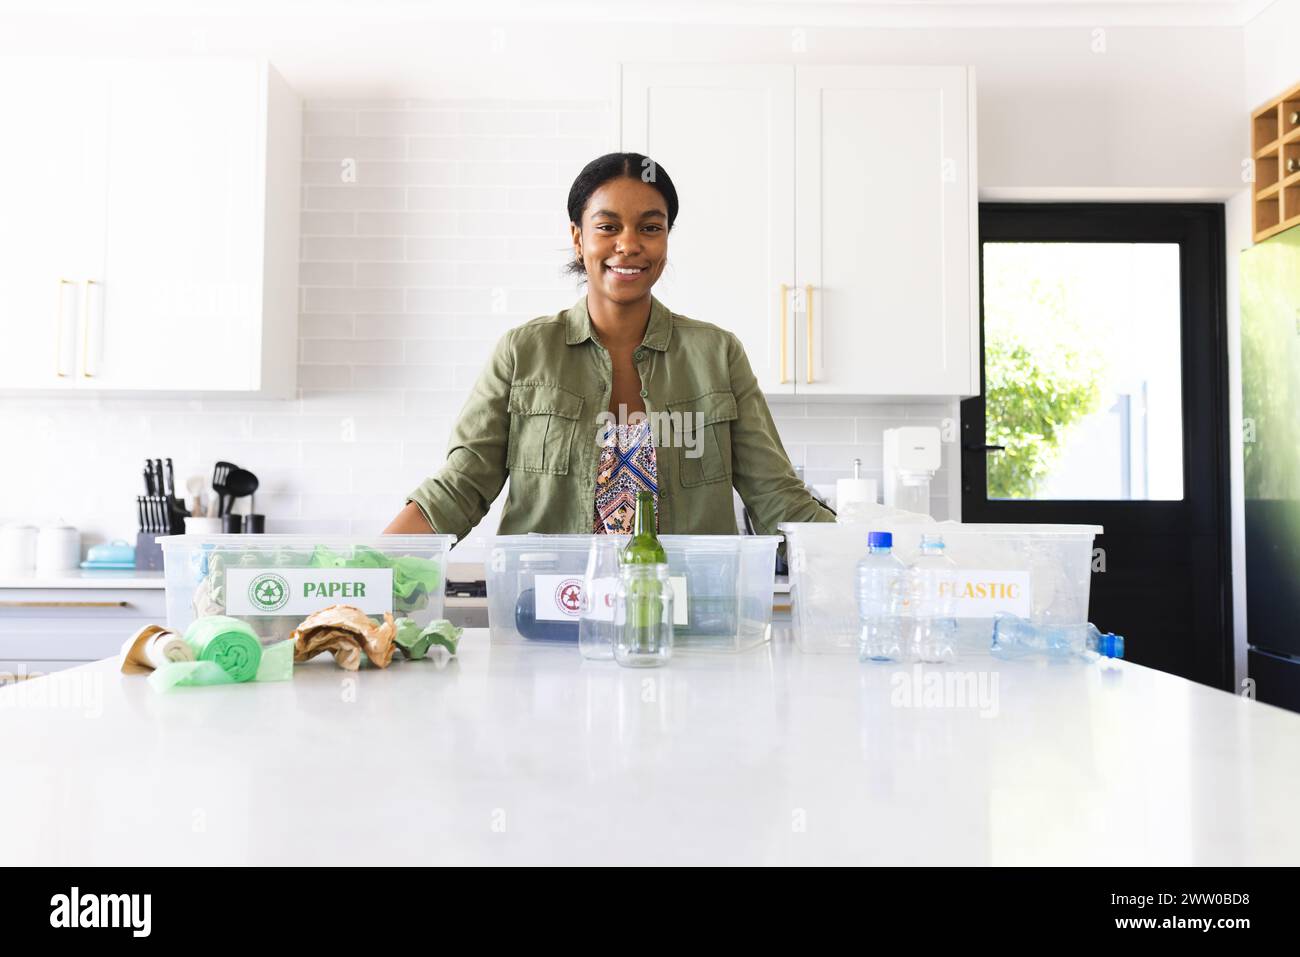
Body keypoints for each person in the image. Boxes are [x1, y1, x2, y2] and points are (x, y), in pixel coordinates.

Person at [383, 152, 835, 540]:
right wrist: (365, 568)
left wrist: (866, 555)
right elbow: (461, 487)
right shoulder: (524, 352)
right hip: (552, 613)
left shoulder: (717, 354)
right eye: (608, 226)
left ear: (666, 239)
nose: (629, 244)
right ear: (578, 239)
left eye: (650, 227)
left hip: (685, 618)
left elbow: (775, 495)